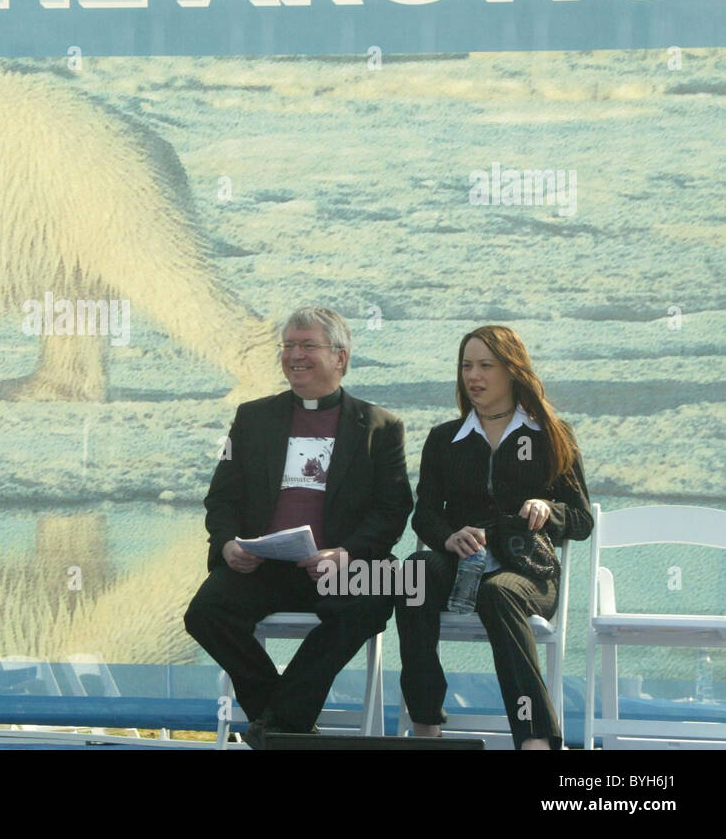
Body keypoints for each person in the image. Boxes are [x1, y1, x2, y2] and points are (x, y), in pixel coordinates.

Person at [183, 306, 413, 747]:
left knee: (371, 601)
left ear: (340, 358)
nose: (295, 355)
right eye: (288, 346)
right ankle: (288, 724)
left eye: (308, 345)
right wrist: (228, 543)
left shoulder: (380, 426)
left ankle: (277, 725)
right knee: (205, 614)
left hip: (335, 566)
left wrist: (344, 553)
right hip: (261, 565)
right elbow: (222, 497)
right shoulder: (252, 418)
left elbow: (392, 510)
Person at [396, 325, 592, 750]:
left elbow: (580, 520)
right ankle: (426, 724)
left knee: (498, 593)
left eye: (486, 365)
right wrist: (449, 537)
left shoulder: (552, 435)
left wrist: (548, 509)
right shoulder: (444, 438)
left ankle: (534, 738)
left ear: (512, 370)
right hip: (461, 562)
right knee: (412, 573)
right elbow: (424, 515)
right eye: (467, 365)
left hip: (527, 572)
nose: (474, 375)